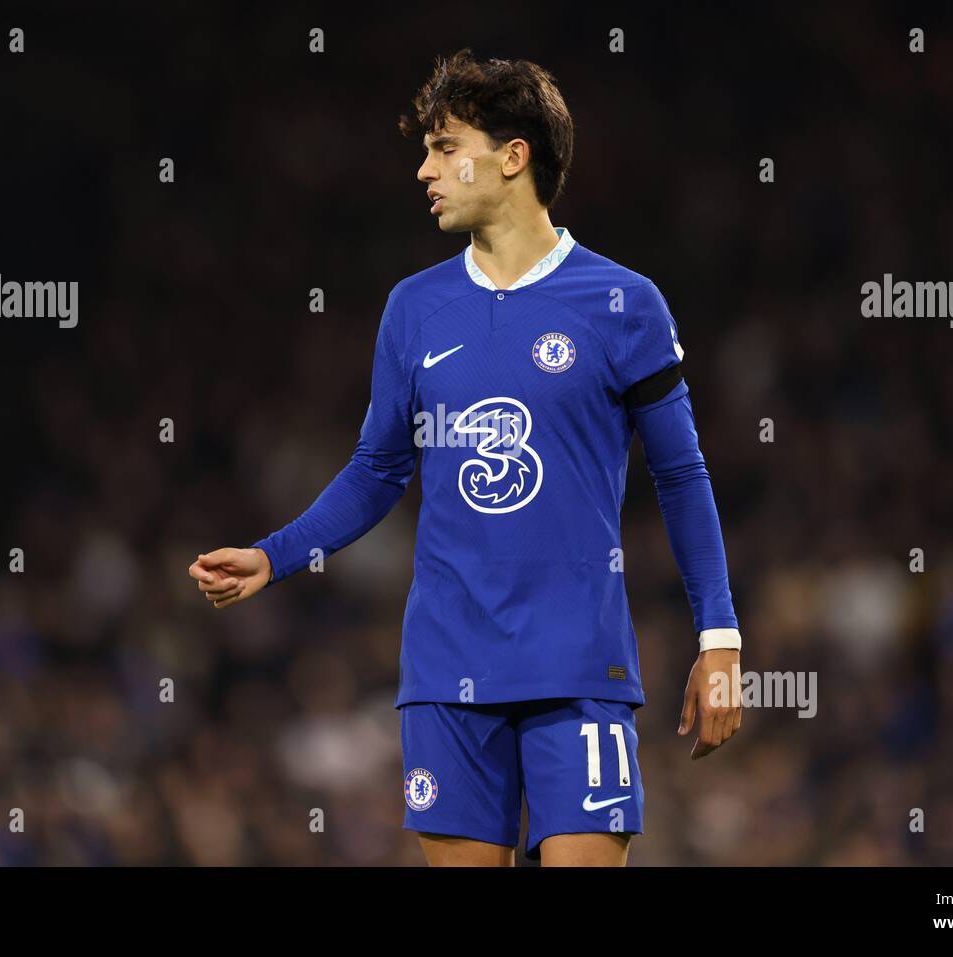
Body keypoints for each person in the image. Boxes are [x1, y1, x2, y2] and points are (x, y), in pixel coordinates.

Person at [189, 49, 743, 867]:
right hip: (450, 669)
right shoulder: (413, 310)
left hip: (582, 666)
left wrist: (720, 636)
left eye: (445, 147)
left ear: (513, 156)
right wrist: (275, 556)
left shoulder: (624, 304)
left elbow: (681, 475)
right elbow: (378, 470)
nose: (424, 169)